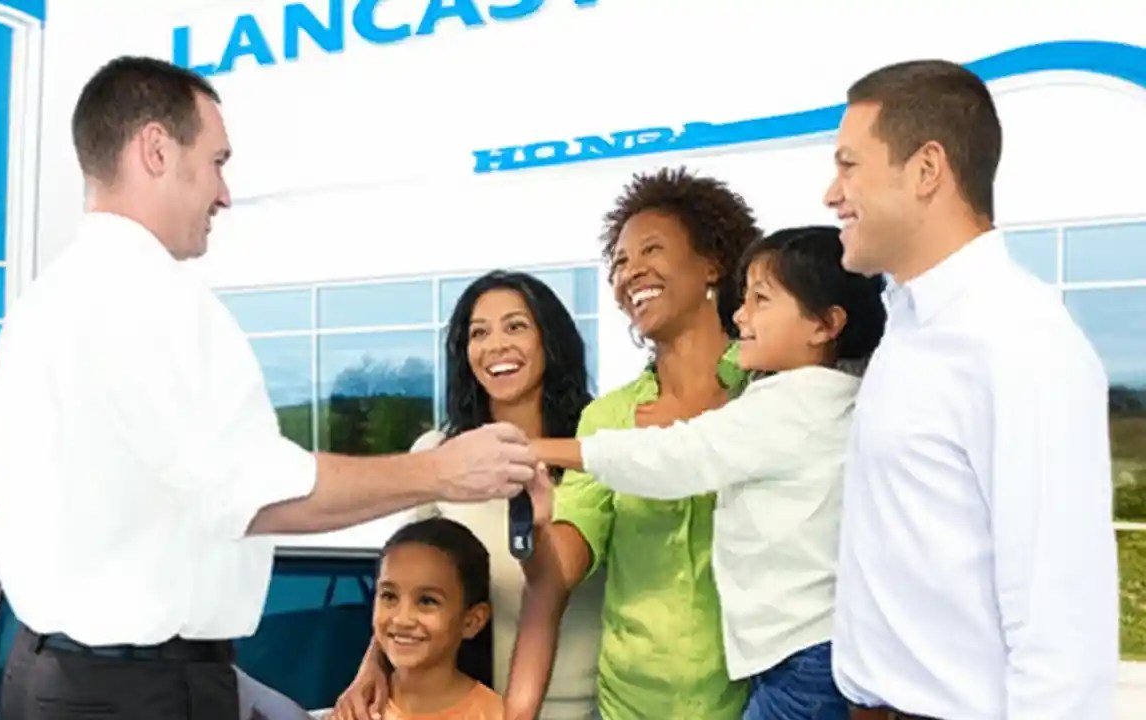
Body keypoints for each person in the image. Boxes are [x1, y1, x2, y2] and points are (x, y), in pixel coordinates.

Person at [0, 56, 542, 720]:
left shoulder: (46, 301)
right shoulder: (146, 300)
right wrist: (442, 472)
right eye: (217, 161)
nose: (223, 193)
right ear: (156, 150)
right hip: (138, 694)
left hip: (58, 678)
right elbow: (252, 493)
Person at [823, 60, 1118, 719]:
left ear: (926, 170)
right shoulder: (909, 327)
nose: (830, 194)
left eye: (848, 166)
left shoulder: (1021, 343)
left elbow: (1062, 630)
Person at [530, 226, 886, 720]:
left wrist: (538, 450)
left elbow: (679, 456)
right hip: (810, 653)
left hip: (799, 660)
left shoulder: (786, 403)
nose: (741, 314)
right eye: (619, 260)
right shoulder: (842, 395)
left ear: (825, 325)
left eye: (760, 300)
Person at [506, 167, 761, 720]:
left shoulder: (767, 390)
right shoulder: (608, 417)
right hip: (630, 708)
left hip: (760, 703)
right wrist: (536, 529)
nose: (630, 272)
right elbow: (561, 570)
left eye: (651, 250)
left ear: (712, 264)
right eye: (619, 261)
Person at [335, 271, 602, 720]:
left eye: (515, 326)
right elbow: (407, 580)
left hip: (577, 709)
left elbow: (555, 581)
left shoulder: (590, 454)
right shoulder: (439, 455)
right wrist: (371, 669)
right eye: (479, 332)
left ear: (550, 341)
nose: (495, 345)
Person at [372, 517, 505, 720]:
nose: (402, 619)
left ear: (472, 621)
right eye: (389, 596)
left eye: (427, 601)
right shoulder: (357, 708)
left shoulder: (496, 715)